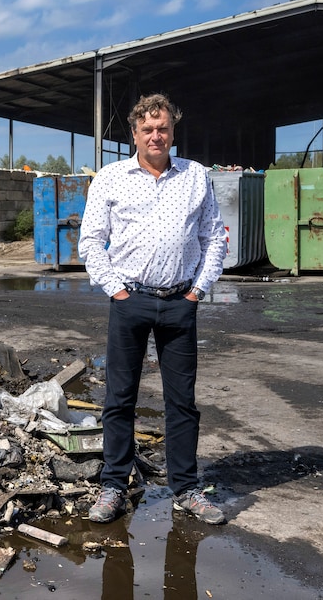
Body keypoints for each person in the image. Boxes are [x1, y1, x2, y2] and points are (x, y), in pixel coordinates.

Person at [77, 93, 228, 525]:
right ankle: (112, 487)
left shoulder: (195, 176)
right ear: (135, 134)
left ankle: (186, 489)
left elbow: (213, 237)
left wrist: (198, 291)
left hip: (181, 302)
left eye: (163, 128)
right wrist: (116, 292)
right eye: (148, 129)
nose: (156, 135)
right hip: (130, 300)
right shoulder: (111, 177)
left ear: (173, 130)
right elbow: (91, 242)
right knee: (119, 399)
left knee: (182, 403)